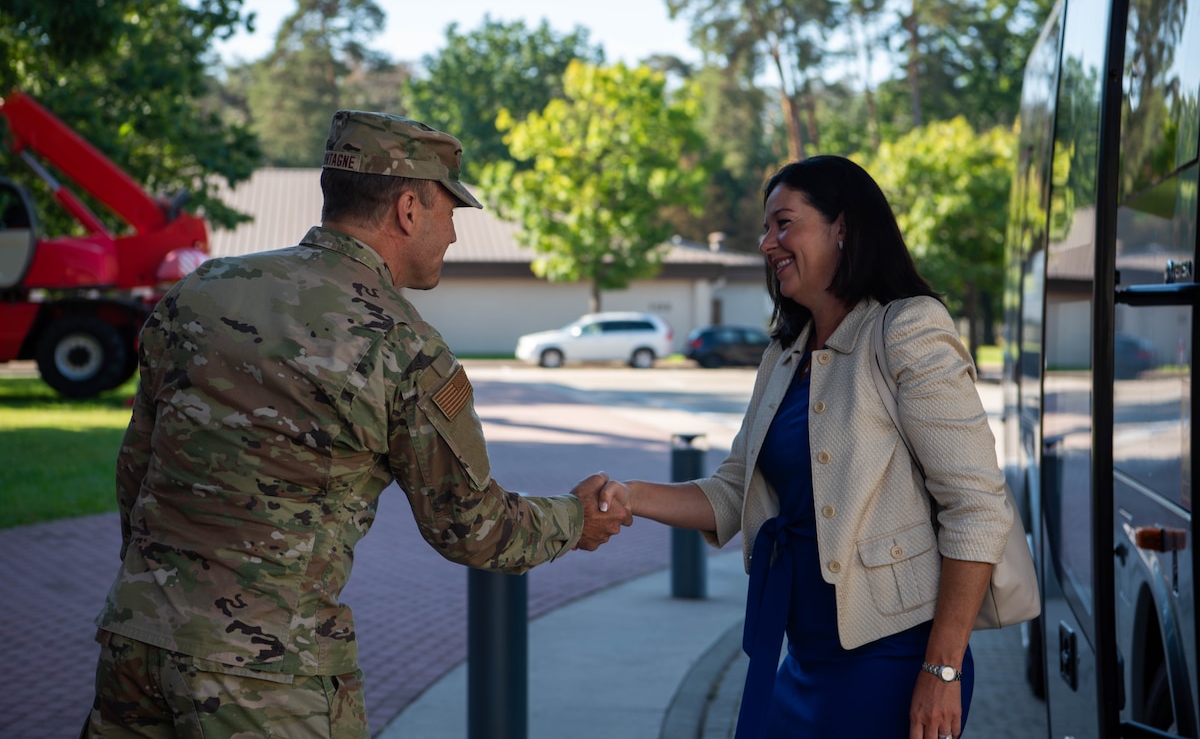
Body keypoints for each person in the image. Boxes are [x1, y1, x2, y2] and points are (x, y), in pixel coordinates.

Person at [81, 110, 632, 739]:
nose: (453, 234)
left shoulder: (202, 291)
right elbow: (471, 529)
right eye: (449, 211)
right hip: (269, 674)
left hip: (134, 645)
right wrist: (576, 519)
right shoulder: (402, 345)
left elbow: (137, 469)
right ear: (407, 208)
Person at [601, 156, 1010, 739]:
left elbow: (976, 508)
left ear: (841, 226)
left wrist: (941, 669)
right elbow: (735, 491)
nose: (768, 243)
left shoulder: (906, 329)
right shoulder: (783, 354)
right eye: (765, 230)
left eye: (783, 223)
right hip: (802, 655)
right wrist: (630, 495)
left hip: (895, 657)